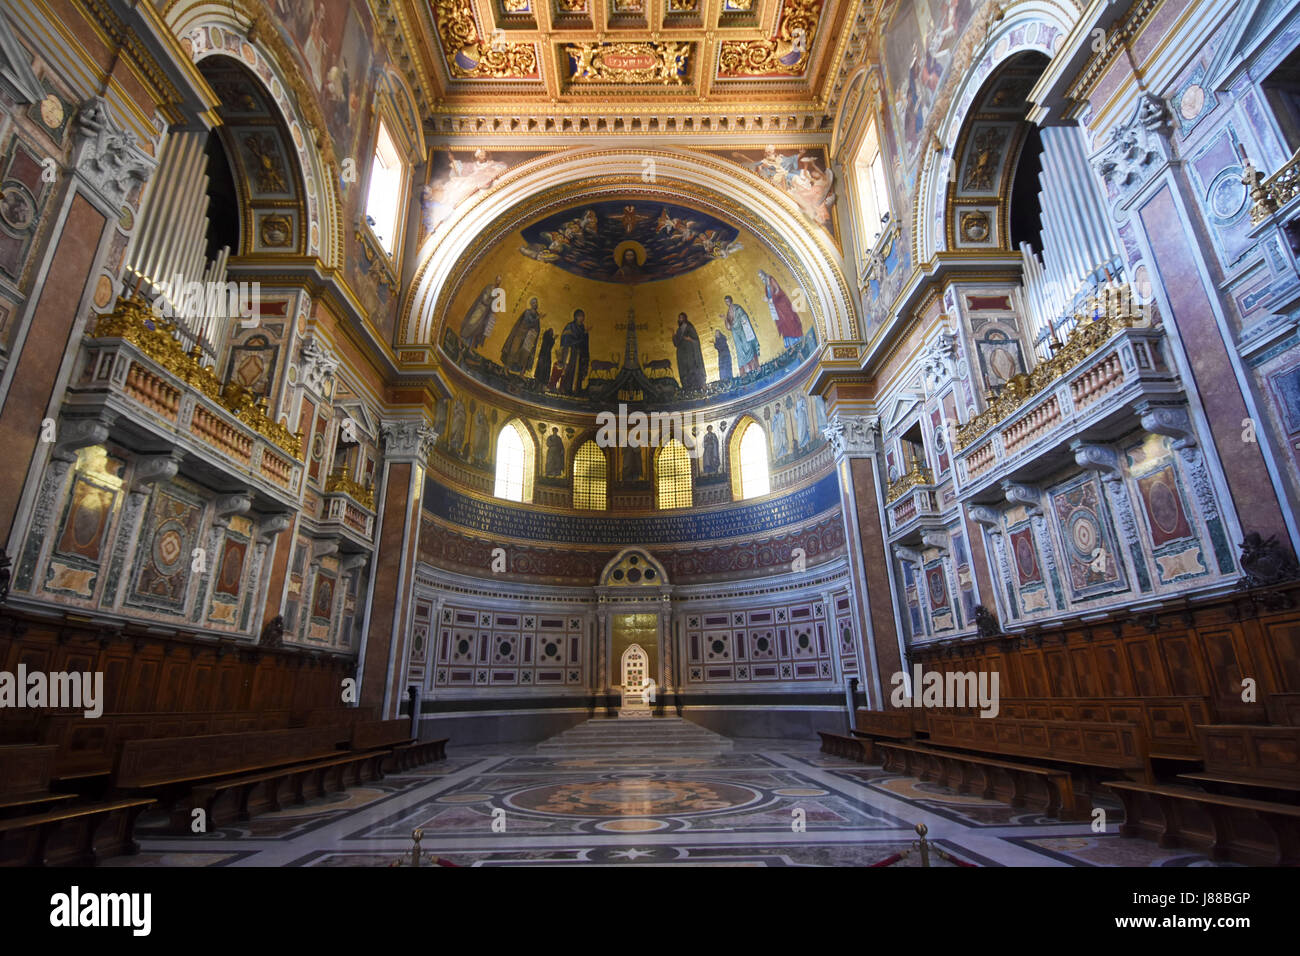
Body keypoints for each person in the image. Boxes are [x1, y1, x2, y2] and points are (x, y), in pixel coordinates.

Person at [758, 270, 804, 347]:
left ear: (764, 274)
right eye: (760, 277)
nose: (761, 278)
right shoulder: (766, 286)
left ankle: (797, 338)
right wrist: (767, 298)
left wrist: (771, 299)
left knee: (789, 321)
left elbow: (777, 290)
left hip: (782, 304)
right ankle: (790, 344)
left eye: (761, 276)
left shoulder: (771, 279)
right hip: (776, 308)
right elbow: (769, 295)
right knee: (783, 325)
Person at [500, 297, 543, 373]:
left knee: (523, 354)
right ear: (531, 304)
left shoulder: (536, 314)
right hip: (520, 334)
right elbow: (527, 322)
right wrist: (537, 318)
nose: (535, 304)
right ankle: (505, 368)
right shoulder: (527, 312)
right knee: (513, 351)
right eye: (534, 303)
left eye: (536, 303)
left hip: (528, 338)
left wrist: (535, 331)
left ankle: (518, 372)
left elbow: (537, 327)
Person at [460, 275, 502, 351]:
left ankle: (470, 348)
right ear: (495, 280)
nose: (498, 282)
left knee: (479, 329)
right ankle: (461, 340)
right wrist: (491, 299)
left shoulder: (497, 292)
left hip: (485, 313)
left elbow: (494, 305)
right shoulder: (489, 287)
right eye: (497, 280)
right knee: (471, 323)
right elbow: (484, 299)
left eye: (499, 281)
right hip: (480, 309)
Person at [722, 295, 760, 375]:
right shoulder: (728, 312)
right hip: (735, 332)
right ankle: (745, 370)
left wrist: (742, 322)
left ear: (731, 300)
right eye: (726, 302)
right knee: (740, 350)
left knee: (747, 346)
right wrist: (725, 318)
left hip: (742, 330)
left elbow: (743, 316)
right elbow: (729, 327)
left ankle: (754, 366)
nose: (727, 303)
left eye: (728, 301)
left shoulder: (737, 308)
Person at [558, 309, 590, 394]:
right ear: (576, 317)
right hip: (570, 352)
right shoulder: (570, 326)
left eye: (583, 316)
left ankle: (575, 389)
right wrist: (581, 337)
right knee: (569, 369)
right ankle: (565, 388)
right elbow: (565, 339)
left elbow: (584, 342)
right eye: (580, 316)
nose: (582, 318)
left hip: (579, 354)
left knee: (578, 372)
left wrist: (585, 334)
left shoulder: (582, 327)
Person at [672, 312, 707, 390]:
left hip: (690, 353)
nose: (679, 320)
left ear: (684, 318)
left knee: (692, 368)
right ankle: (688, 387)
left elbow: (696, 340)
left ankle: (698, 385)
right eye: (679, 318)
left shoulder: (689, 327)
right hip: (682, 354)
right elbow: (676, 343)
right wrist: (673, 335)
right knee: (685, 370)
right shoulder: (679, 330)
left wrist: (689, 339)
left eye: (680, 318)